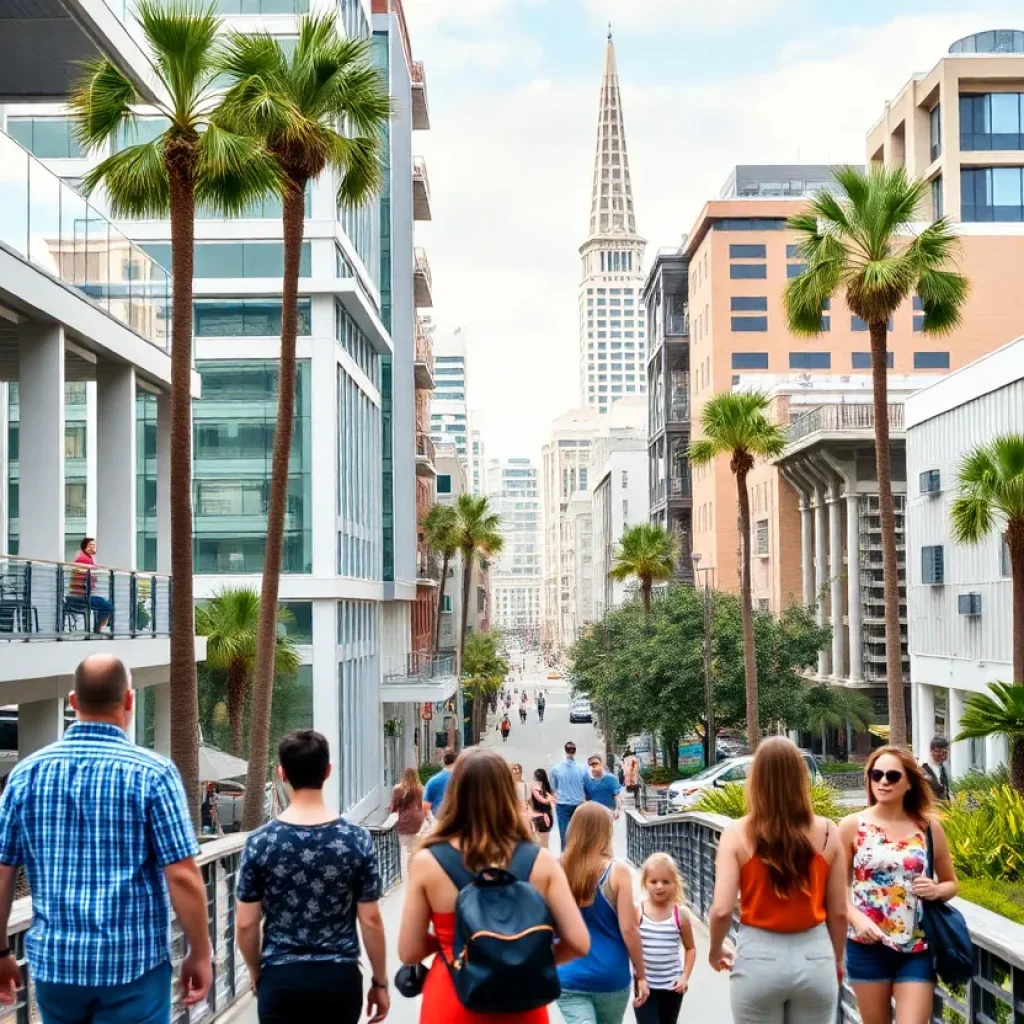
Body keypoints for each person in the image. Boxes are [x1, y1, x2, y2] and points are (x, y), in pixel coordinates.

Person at [0, 654, 211, 1022]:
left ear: (73, 702)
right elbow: (182, 875)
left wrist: (1, 953)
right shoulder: (154, 774)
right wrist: (200, 951)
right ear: (129, 700)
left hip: (56, 967)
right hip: (133, 966)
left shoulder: (24, 776)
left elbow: (2, 873)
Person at [397, 748, 590, 1023]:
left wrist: (447, 938)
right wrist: (523, 963)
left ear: (456, 792)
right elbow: (578, 943)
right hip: (522, 1002)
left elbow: (409, 950)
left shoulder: (428, 862)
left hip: (453, 998)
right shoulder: (541, 862)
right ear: (508, 793)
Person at [237, 730, 388, 1024]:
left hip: (281, 978)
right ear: (327, 771)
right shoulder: (355, 840)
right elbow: (370, 920)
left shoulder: (261, 842)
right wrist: (380, 982)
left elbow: (245, 924)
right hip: (339, 978)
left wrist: (258, 973)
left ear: (282, 774)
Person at [708, 736, 847, 1024]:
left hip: (758, 958)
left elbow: (721, 910)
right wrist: (836, 959)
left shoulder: (736, 834)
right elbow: (839, 911)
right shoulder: (827, 832)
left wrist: (715, 949)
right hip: (815, 956)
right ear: (801, 777)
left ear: (755, 779)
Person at [839, 746, 959, 1024]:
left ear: (908, 783)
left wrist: (937, 890)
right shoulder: (851, 826)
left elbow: (952, 883)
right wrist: (856, 919)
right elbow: (834, 890)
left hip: (917, 948)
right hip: (867, 947)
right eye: (876, 774)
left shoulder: (928, 828)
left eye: (892, 776)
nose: (883, 782)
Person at [557, 802, 649, 1023]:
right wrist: (641, 973)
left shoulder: (557, 868)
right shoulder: (617, 873)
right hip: (610, 976)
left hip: (568, 976)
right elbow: (628, 929)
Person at [634, 854, 696, 1024]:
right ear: (645, 882)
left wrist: (684, 977)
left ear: (674, 883)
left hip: (672, 987)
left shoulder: (680, 914)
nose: (659, 887)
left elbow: (690, 948)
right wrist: (639, 977)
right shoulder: (638, 911)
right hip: (644, 984)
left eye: (665, 882)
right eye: (653, 882)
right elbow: (630, 945)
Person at [69, 537, 113, 632]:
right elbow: (83, 579)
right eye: (90, 545)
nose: (93, 547)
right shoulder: (84, 560)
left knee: (103, 603)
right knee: (108, 606)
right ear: (84, 547)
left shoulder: (87, 559)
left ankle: (98, 628)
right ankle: (98, 629)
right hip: (80, 597)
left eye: (94, 545)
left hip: (80, 596)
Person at [550, 741, 589, 846]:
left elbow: (553, 788)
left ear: (565, 751)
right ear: (575, 752)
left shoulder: (555, 769)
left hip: (563, 804)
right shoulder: (583, 768)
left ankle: (565, 859)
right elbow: (587, 785)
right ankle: (579, 859)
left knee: (564, 835)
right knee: (580, 835)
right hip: (579, 804)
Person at [391, 767, 426, 873]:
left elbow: (394, 807)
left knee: (405, 847)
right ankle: (416, 868)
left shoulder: (397, 789)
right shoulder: (421, 789)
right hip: (418, 820)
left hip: (404, 821)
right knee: (415, 847)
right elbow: (423, 806)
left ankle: (406, 871)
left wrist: (393, 812)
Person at [584, 754, 623, 820]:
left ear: (601, 764)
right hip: (594, 815)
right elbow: (586, 798)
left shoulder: (611, 779)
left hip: (609, 815)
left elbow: (617, 796)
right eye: (591, 765)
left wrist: (618, 809)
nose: (593, 766)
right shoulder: (588, 781)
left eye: (595, 763)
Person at [423, 751, 457, 821]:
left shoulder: (432, 780)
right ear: (457, 762)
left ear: (443, 762)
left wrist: (432, 822)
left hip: (438, 821)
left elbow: (425, 806)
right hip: (458, 823)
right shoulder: (463, 779)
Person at [531, 769, 556, 850]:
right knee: (545, 843)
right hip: (547, 816)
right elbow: (551, 800)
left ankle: (540, 860)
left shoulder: (535, 788)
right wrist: (550, 800)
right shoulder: (548, 788)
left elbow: (540, 800)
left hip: (539, 816)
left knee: (538, 843)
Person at [921, 735, 951, 802]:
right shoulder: (923, 769)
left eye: (945, 752)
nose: (942, 755)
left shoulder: (942, 769)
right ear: (931, 750)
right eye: (939, 751)